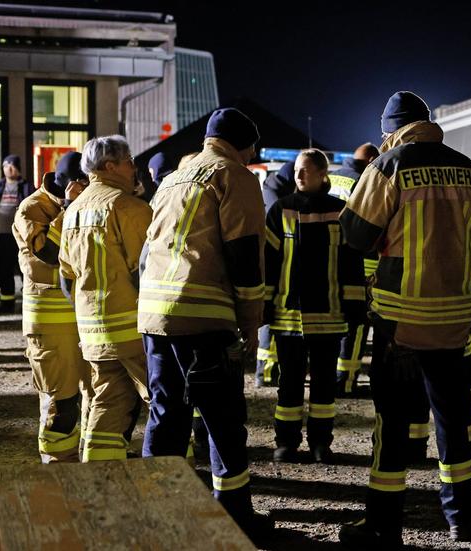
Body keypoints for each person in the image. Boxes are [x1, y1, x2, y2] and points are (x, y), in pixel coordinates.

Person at [338, 91, 471, 547]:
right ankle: (462, 517)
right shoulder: (467, 167)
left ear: (391, 130)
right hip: (454, 315)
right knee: (453, 419)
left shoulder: (388, 165)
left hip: (400, 317)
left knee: (393, 422)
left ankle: (383, 525)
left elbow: (356, 234)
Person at [138, 108, 273, 538]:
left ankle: (156, 514)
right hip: (203, 318)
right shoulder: (236, 176)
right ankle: (233, 519)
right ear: (245, 145)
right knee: (223, 423)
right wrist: (252, 322)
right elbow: (244, 257)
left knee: (166, 418)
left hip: (155, 317)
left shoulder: (173, 178)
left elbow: (148, 250)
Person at [264, 148, 365, 464]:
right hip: (288, 317)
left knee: (324, 387)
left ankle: (321, 443)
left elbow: (352, 265)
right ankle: (287, 443)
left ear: (324, 174)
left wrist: (355, 308)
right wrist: (264, 307)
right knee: (288, 386)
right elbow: (268, 263)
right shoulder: (280, 210)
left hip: (330, 314)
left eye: (306, 170)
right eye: (296, 170)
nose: (299, 175)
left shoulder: (341, 211)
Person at [57, 136, 152, 461]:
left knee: (107, 401)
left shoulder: (73, 211)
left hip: (92, 331)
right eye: (128, 161)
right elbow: (149, 272)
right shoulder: (130, 209)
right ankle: (181, 476)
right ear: (110, 166)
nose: (133, 168)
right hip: (133, 330)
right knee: (166, 401)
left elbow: (66, 275)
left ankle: (99, 475)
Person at [12, 152, 94, 462]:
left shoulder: (82, 202)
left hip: (83, 317)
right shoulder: (31, 208)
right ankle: (58, 467)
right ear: (75, 185)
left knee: (94, 392)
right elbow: (47, 253)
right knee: (62, 400)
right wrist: (71, 209)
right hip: (50, 324)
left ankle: (87, 462)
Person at [330, 142, 380, 396]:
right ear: (371, 158)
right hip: (360, 264)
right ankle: (346, 380)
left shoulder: (330, 176)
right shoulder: (363, 182)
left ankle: (330, 377)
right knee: (358, 325)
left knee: (333, 322)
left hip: (329, 262)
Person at [255, 160, 295, 388]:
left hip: (269, 257)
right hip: (272, 259)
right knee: (269, 317)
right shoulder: (275, 196)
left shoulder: (271, 187)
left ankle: (267, 371)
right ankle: (266, 373)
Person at [0, 154, 34, 313]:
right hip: (1, 235)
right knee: (3, 267)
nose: (9, 168)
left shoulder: (26, 186)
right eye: (6, 166)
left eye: (12, 165)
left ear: (18, 168)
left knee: (24, 267)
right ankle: (7, 302)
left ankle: (28, 302)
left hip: (20, 236)